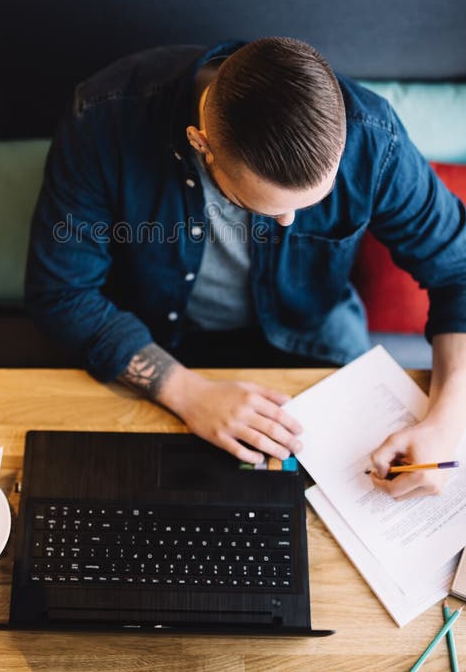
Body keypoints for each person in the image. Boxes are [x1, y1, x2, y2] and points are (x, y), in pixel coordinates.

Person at [25, 37, 466, 500]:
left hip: (312, 337)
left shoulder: (373, 136)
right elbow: (61, 293)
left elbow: (457, 269)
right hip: (156, 340)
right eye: (263, 208)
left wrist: (446, 424)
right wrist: (187, 393)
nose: (289, 223)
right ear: (202, 143)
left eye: (309, 204)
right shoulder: (105, 118)